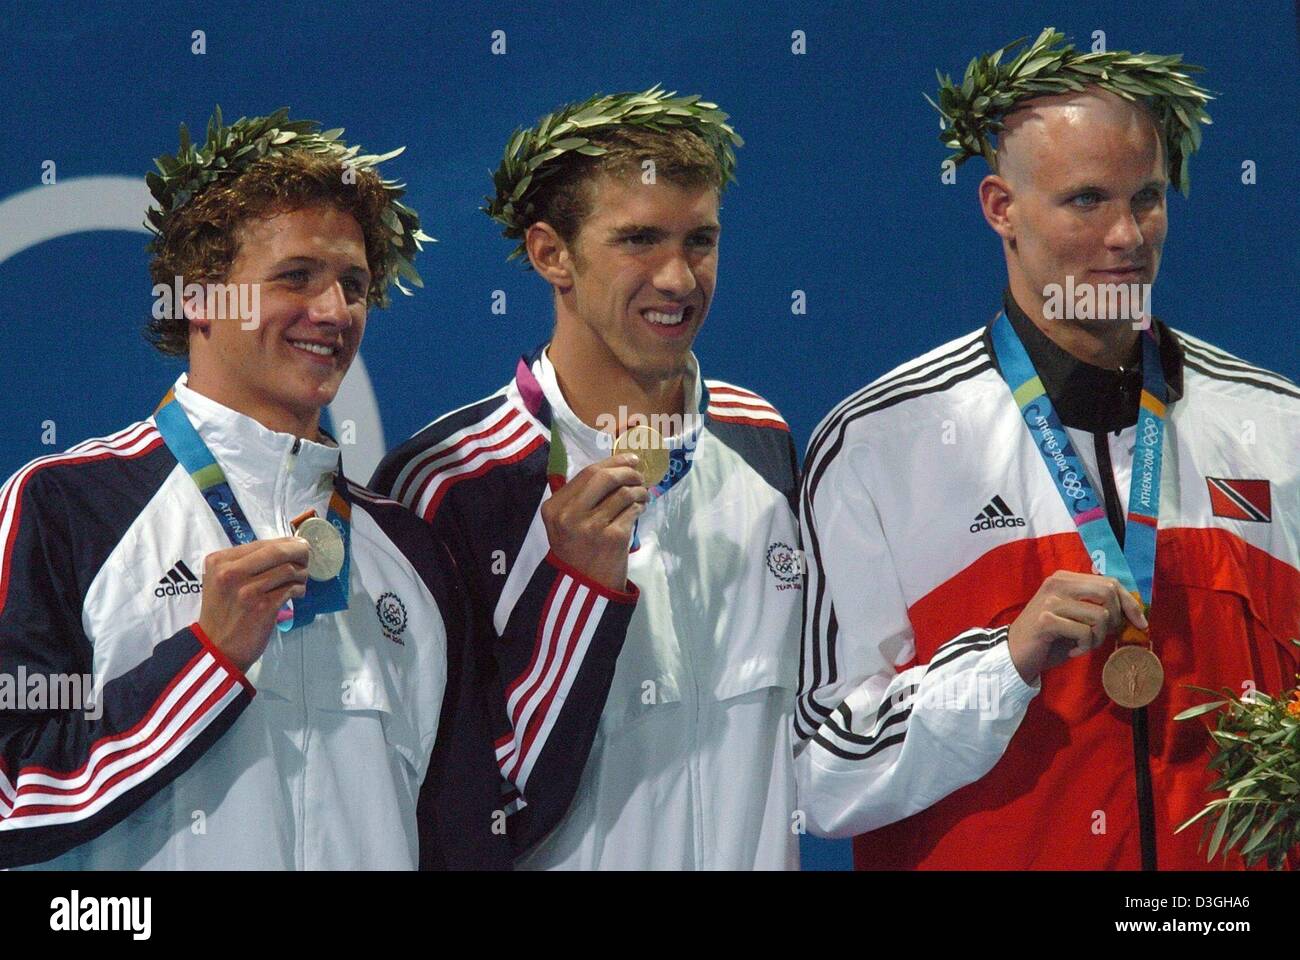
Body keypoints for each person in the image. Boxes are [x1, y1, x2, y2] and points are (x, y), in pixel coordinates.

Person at [796, 30, 1299, 869]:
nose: (1126, 237)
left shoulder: (1275, 424)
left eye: (1148, 198)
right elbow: (820, 774)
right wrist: (1004, 662)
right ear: (1001, 207)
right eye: (1087, 200)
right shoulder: (881, 444)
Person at [2, 108, 517, 869]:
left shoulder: (410, 551)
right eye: (296, 278)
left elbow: (464, 834)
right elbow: (13, 795)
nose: (336, 312)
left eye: (353, 283)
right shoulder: (67, 506)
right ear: (200, 298)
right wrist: (206, 661)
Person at [371, 86, 803, 869]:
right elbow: (450, 814)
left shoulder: (761, 440)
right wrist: (573, 595)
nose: (678, 278)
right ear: (550, 255)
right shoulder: (447, 484)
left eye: (700, 241)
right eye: (638, 240)